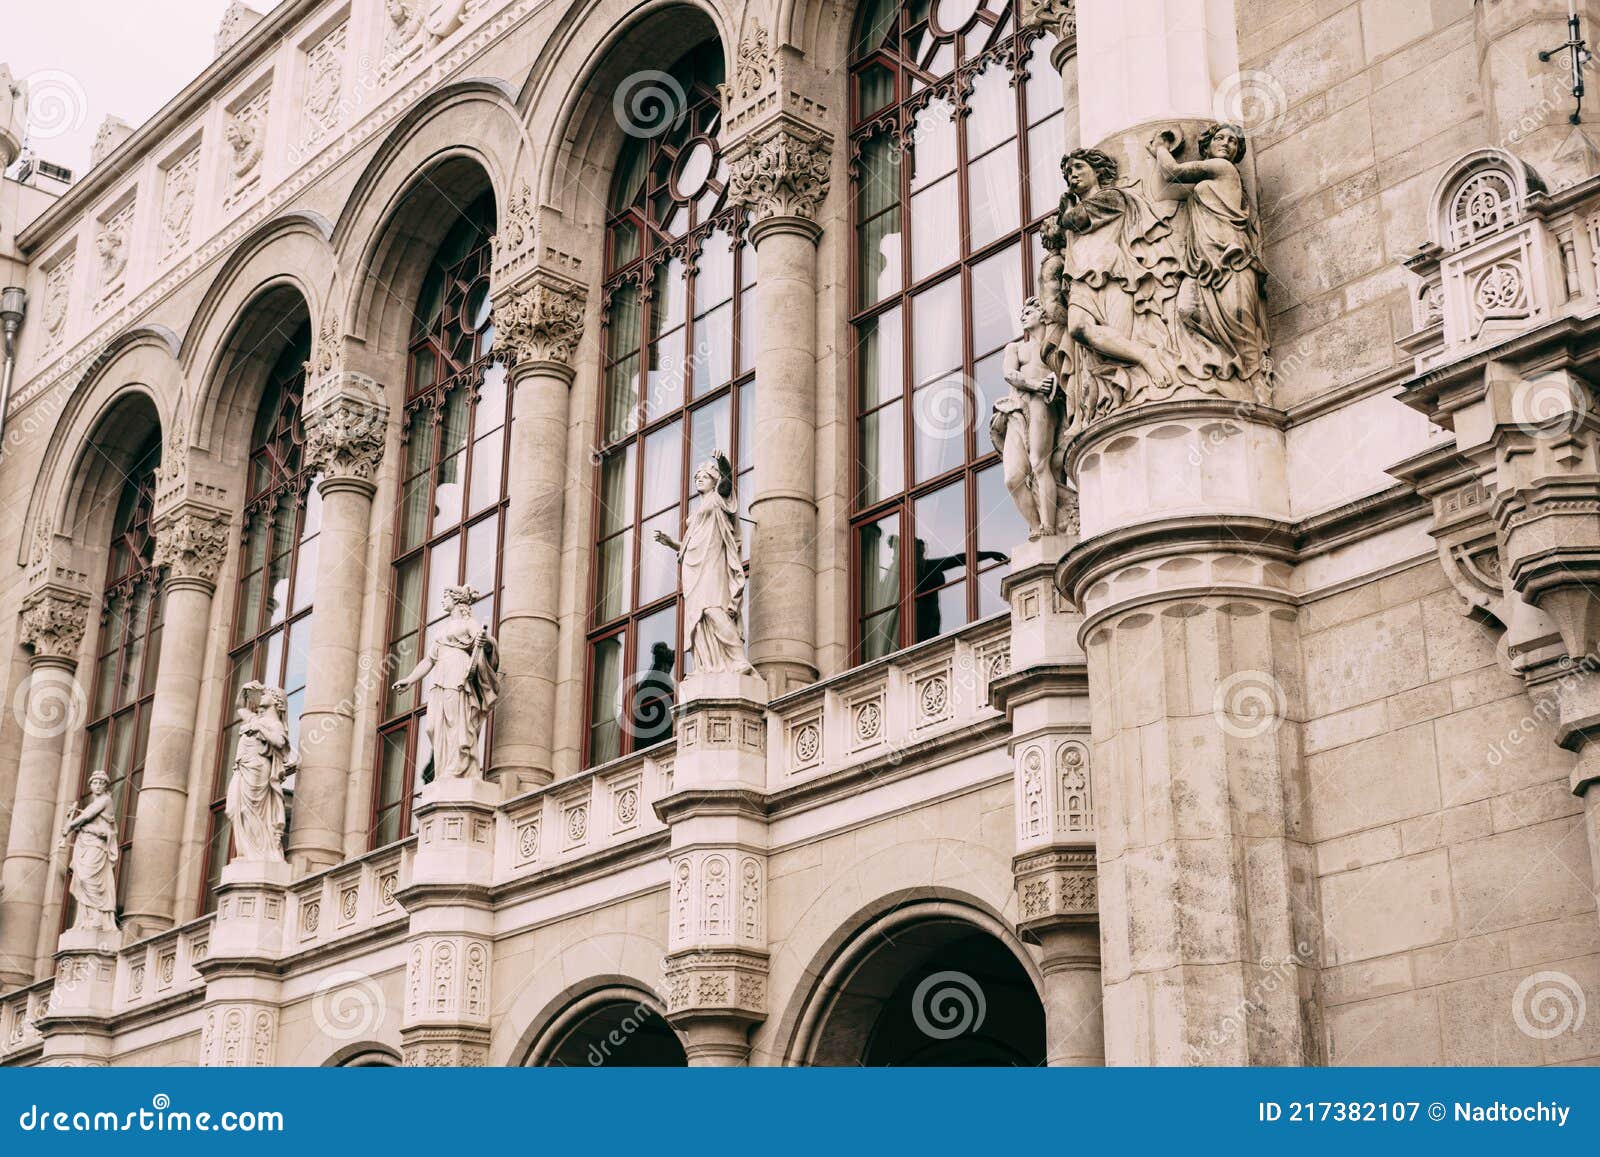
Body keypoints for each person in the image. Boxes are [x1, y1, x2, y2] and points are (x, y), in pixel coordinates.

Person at [1042, 148, 1182, 436]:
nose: (1072, 175)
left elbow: (1077, 219)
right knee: (1079, 329)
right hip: (1081, 278)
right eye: (1068, 172)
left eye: (1079, 168)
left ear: (1097, 171)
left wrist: (1064, 211)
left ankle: (1140, 371)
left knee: (1116, 337)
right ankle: (1144, 357)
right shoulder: (1073, 212)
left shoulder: (1111, 198)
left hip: (1113, 273)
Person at [1147, 122, 1273, 398]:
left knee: (1239, 318)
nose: (1227, 143)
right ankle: (1215, 367)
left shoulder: (1223, 169)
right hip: (1201, 262)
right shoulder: (1206, 181)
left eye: (1233, 141)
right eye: (1220, 138)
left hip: (1230, 257)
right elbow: (1163, 193)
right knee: (1186, 310)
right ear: (1207, 145)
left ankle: (1257, 384)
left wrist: (1160, 147)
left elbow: (1172, 172)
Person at [654, 452, 755, 675]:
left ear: (714, 480)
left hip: (713, 561)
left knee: (712, 609)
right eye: (697, 477)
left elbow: (727, 482)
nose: (699, 479)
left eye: (705, 476)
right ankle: (708, 665)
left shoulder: (718, 499)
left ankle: (738, 658)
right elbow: (690, 543)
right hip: (693, 566)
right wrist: (671, 543)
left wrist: (723, 463)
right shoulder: (696, 512)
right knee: (699, 617)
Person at [392, 586, 501, 781]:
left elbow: (485, 641)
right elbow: (429, 660)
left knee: (455, 720)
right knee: (433, 726)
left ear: (457, 600)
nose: (442, 600)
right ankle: (444, 768)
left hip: (456, 674)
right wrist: (410, 680)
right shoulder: (442, 631)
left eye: (445, 597)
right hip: (440, 676)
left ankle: (458, 766)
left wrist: (485, 641)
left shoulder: (468, 623)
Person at [991, 297, 1065, 539]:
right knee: (1013, 478)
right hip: (1017, 409)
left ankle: (1048, 527)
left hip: (1042, 406)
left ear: (1043, 315)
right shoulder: (1015, 348)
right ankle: (1034, 525)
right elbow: (1009, 374)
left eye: (1029, 312)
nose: (1023, 316)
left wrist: (1054, 384)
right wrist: (1036, 384)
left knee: (1039, 464)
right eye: (1021, 312)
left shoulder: (1055, 346)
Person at [226, 682, 294, 863]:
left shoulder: (274, 724)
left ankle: (259, 853)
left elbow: (280, 742)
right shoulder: (254, 718)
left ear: (276, 700)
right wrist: (243, 690)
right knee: (233, 808)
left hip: (258, 768)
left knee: (252, 811)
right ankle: (248, 851)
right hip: (243, 767)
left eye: (266, 693)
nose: (262, 694)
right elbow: (240, 707)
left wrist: (260, 729)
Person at [61, 770, 118, 933]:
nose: (98, 786)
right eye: (95, 783)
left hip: (96, 846)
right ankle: (85, 919)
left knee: (88, 878)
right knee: (81, 880)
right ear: (90, 785)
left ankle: (98, 918)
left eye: (101, 783)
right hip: (84, 844)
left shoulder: (106, 800)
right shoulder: (93, 803)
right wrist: (75, 824)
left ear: (105, 786)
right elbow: (86, 817)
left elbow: (87, 816)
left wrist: (70, 826)